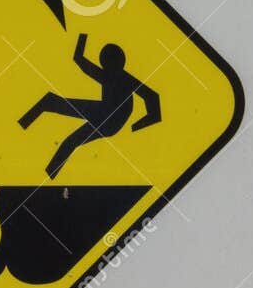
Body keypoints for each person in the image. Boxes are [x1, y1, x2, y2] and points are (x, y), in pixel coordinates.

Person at [19, 33, 161, 179]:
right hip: (104, 113)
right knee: (67, 136)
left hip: (109, 119)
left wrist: (138, 125)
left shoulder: (123, 78)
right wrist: (82, 35)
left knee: (61, 123)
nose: (105, 65)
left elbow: (152, 97)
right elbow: (79, 60)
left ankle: (44, 174)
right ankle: (47, 173)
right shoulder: (108, 75)